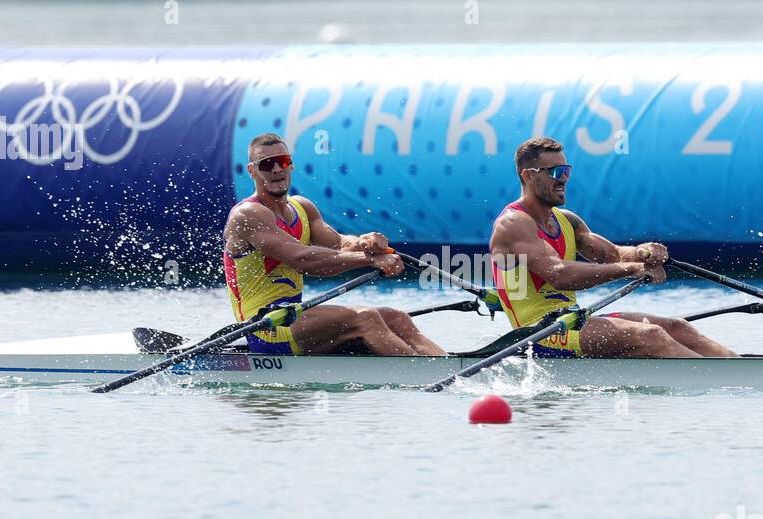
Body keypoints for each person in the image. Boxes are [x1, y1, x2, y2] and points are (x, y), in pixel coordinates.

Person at [489, 136, 737, 359]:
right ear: (528, 175)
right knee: (651, 335)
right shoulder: (513, 223)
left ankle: (736, 371)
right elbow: (559, 275)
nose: (563, 178)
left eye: (566, 170)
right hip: (538, 333)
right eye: (554, 172)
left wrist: (643, 253)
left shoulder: (567, 221)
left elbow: (613, 254)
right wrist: (631, 269)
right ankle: (721, 387)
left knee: (676, 327)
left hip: (573, 322)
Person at [223, 133, 445, 356]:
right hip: (265, 328)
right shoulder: (248, 214)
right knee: (365, 317)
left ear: (291, 165)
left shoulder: (302, 207)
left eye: (283, 162)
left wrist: (365, 242)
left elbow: (338, 244)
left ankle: (445, 370)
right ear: (252, 170)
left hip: (294, 316)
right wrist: (371, 259)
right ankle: (422, 378)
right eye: (266, 164)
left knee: (397, 318)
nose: (276, 170)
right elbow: (302, 259)